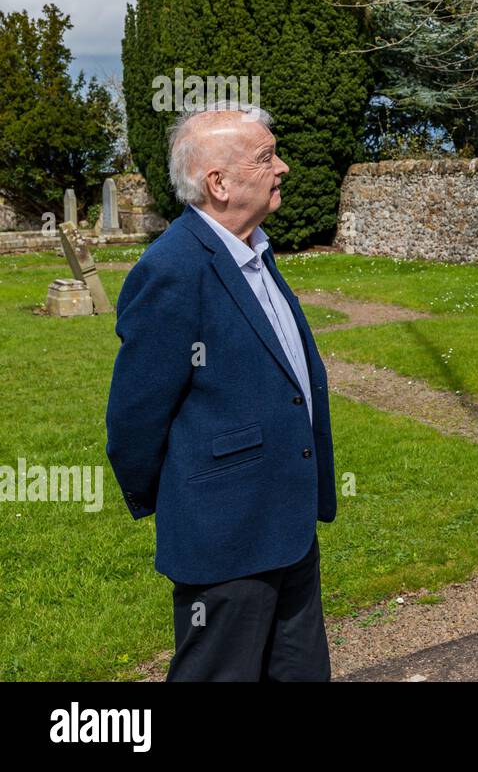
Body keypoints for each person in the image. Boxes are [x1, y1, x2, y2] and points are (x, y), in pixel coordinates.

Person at [105, 106, 336, 681]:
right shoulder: (173, 269)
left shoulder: (254, 248)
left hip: (288, 522)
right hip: (225, 536)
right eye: (265, 157)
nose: (281, 167)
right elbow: (135, 420)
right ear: (219, 183)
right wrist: (194, 502)